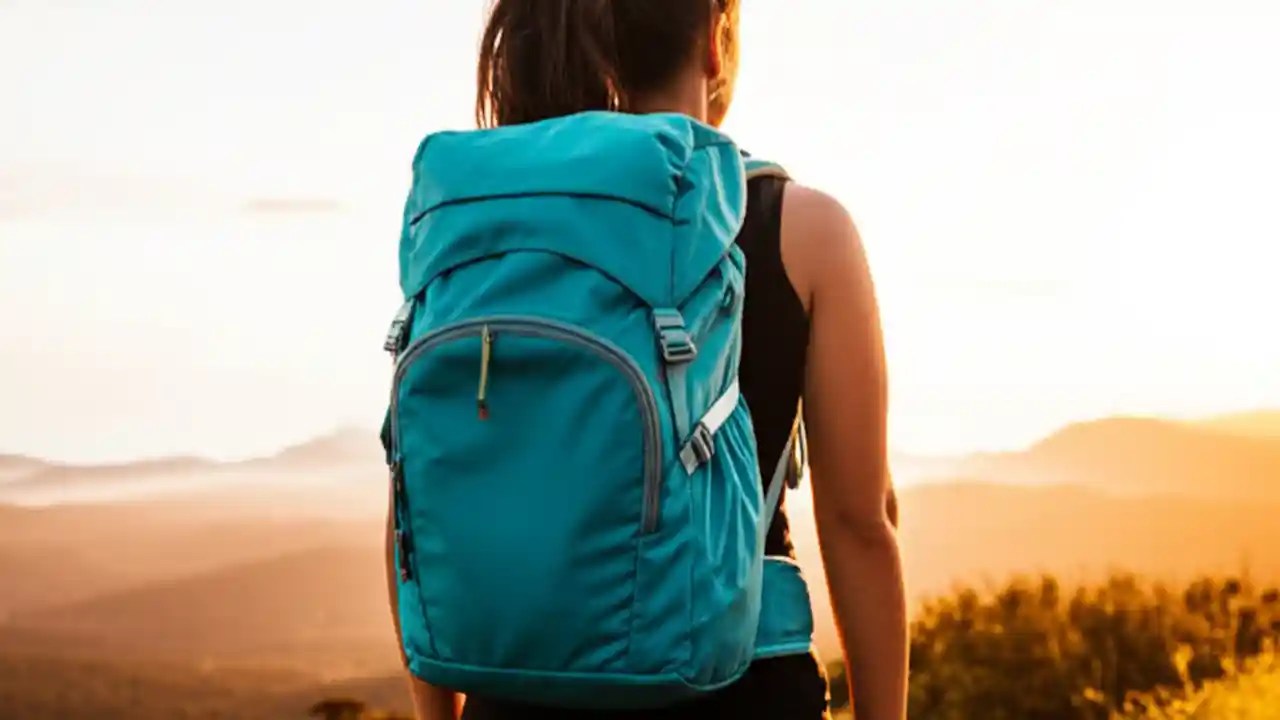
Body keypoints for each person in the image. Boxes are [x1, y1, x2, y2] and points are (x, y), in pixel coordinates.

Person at [384, 1, 908, 718]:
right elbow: (858, 524)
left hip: (519, 695)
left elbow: (416, 509)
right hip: (740, 692)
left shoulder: (489, 229)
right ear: (716, 38)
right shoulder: (800, 229)